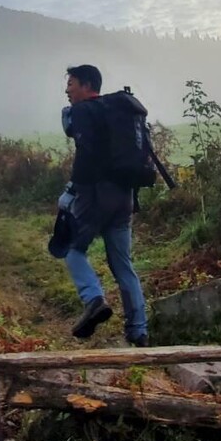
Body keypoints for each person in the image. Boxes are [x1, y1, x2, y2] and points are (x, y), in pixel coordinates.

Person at [58, 64, 149, 346]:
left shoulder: (85, 111)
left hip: (95, 193)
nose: (67, 90)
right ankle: (138, 330)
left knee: (72, 248)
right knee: (123, 264)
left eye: (71, 84)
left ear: (86, 85)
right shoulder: (119, 110)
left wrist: (71, 192)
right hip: (125, 196)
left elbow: (82, 148)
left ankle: (94, 298)